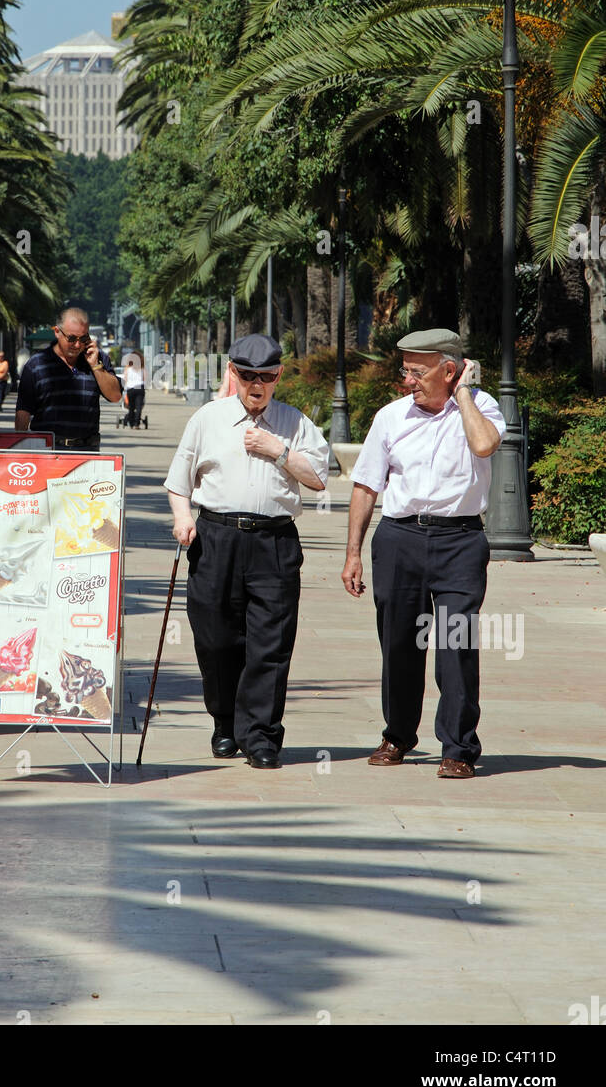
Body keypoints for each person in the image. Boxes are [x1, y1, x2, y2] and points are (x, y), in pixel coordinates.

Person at [340, 328, 505, 780]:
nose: (407, 380)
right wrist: (352, 552)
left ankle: (458, 748)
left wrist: (464, 394)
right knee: (398, 643)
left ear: (449, 370)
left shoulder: (482, 408)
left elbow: (485, 445)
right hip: (398, 540)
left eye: (417, 371)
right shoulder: (390, 417)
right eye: (405, 370)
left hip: (459, 543)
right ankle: (397, 735)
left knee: (455, 644)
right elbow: (367, 484)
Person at [165, 333, 329, 769]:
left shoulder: (295, 423)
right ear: (233, 374)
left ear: (278, 377)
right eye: (249, 376)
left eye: (268, 377)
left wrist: (279, 451)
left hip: (273, 541)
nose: (258, 385)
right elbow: (179, 482)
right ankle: (224, 721)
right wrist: (183, 518)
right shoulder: (208, 418)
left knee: (270, 643)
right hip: (215, 538)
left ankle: (260, 736)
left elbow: (318, 479)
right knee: (215, 638)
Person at [15, 307, 122, 450]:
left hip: (87, 452)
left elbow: (115, 396)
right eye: (71, 338)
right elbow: (23, 411)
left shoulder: (98, 359)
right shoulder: (36, 365)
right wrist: (20, 450)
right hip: (47, 452)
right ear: (57, 332)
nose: (77, 345)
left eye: (83, 338)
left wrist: (95, 366)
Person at [122, 351, 146, 428]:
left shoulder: (127, 367)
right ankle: (137, 424)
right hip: (140, 388)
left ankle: (131, 423)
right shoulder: (142, 368)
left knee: (131, 407)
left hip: (130, 388)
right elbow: (145, 378)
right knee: (139, 407)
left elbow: (125, 378)